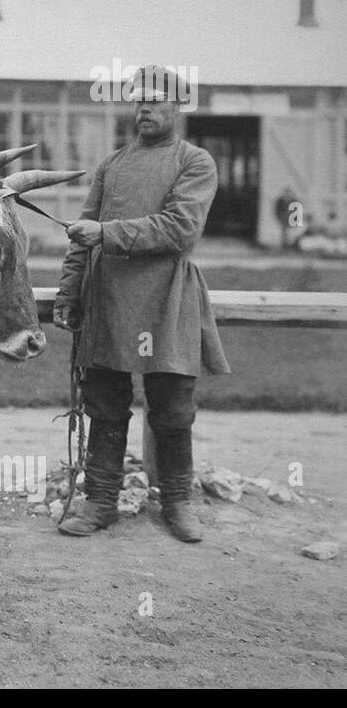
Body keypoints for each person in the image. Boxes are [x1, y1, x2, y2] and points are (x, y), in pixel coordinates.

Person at [54, 66, 230, 542]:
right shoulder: (112, 164)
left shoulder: (195, 162)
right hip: (108, 300)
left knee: (172, 407)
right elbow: (81, 236)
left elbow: (179, 229)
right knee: (105, 403)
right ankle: (100, 502)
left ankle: (176, 504)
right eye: (138, 101)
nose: (144, 109)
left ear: (178, 106)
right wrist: (71, 292)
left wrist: (107, 234)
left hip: (167, 300)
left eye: (155, 101)